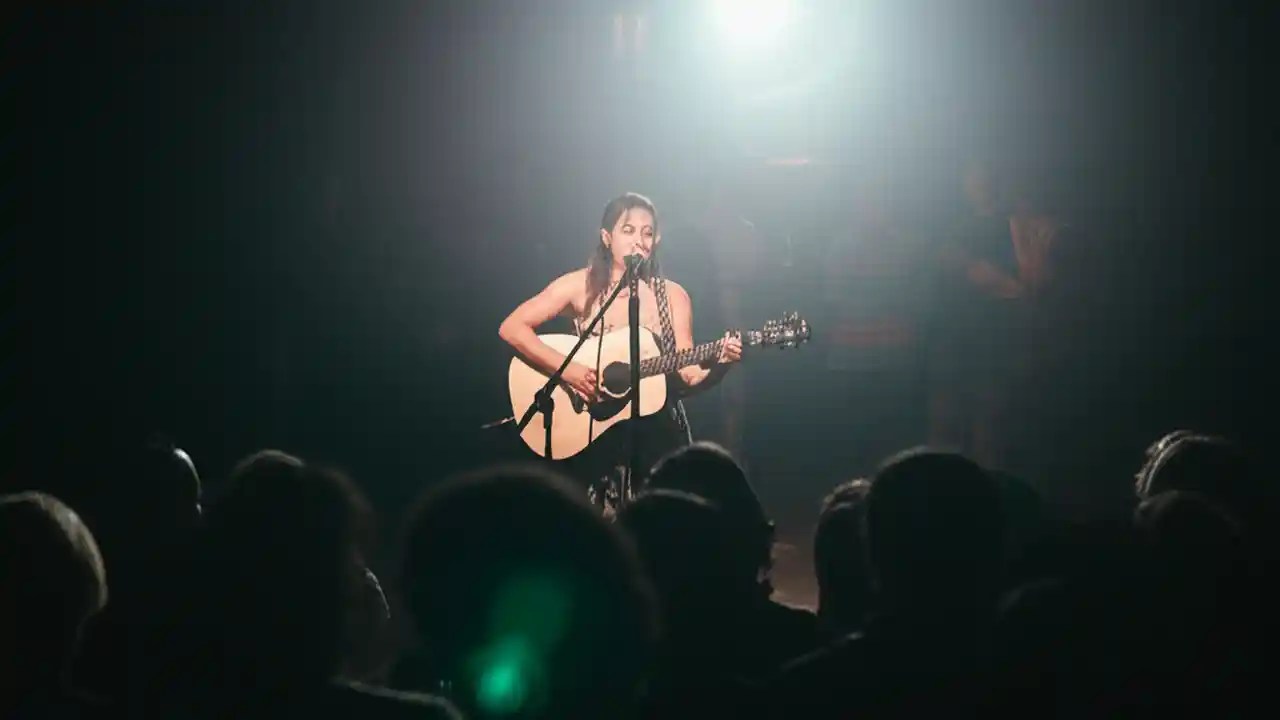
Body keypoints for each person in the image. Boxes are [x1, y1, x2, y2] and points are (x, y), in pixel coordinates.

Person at [498, 192, 743, 502]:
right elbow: (512, 327)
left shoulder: (672, 297)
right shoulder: (580, 285)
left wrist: (719, 365)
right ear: (606, 237)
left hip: (657, 435)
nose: (638, 240)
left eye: (647, 232)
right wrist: (569, 371)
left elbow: (688, 377)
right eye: (628, 230)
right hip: (594, 431)